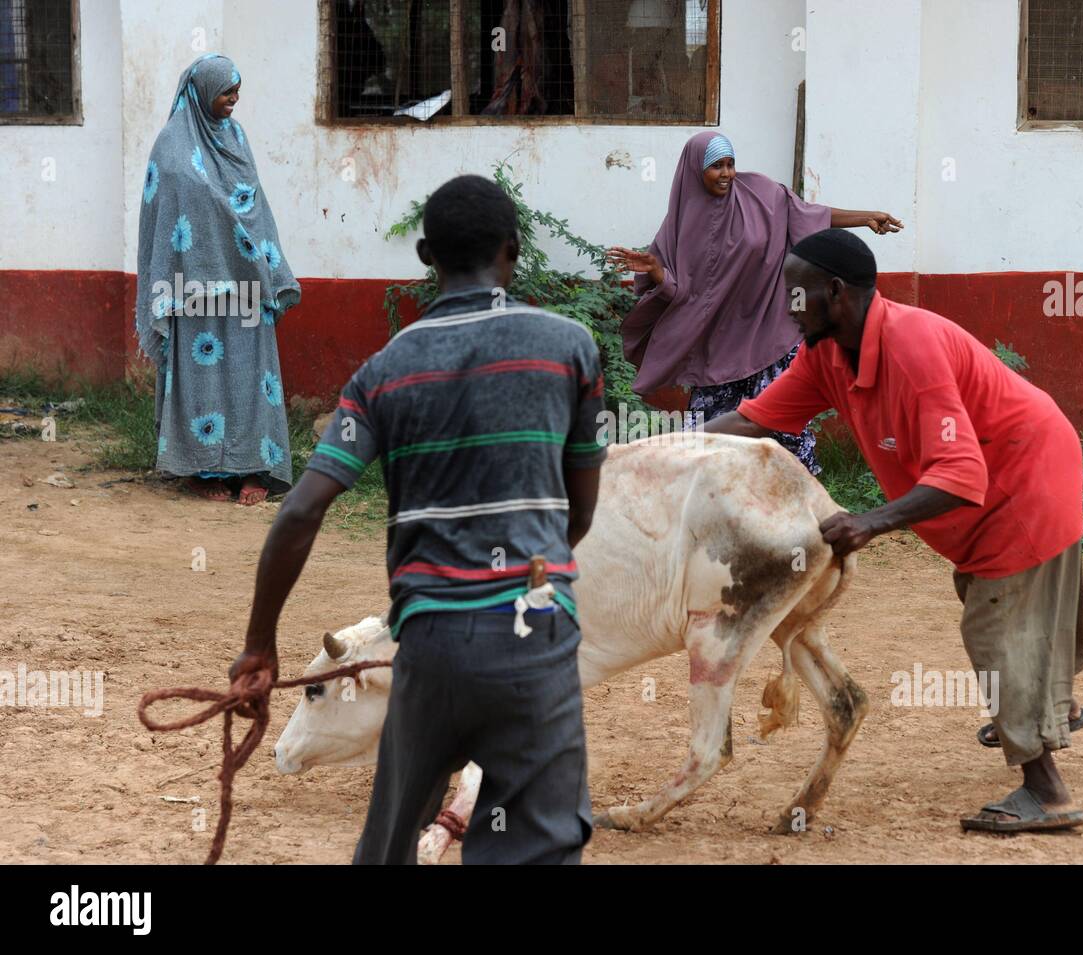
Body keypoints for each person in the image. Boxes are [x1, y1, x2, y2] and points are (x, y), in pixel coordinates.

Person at [228, 175, 606, 864]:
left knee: (388, 846)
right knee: (535, 847)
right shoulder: (571, 348)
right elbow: (580, 509)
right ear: (513, 251)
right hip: (535, 637)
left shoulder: (383, 370)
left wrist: (259, 644)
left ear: (426, 253)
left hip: (429, 645)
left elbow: (302, 508)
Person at [704, 228, 1083, 833]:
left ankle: (1047, 792)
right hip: (1014, 466)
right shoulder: (828, 355)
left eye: (796, 294)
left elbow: (961, 474)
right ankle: (1051, 706)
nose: (788, 307)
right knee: (1008, 603)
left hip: (1023, 474)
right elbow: (752, 420)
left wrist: (869, 523)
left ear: (835, 292)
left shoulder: (910, 345)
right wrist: (659, 454)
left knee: (996, 620)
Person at [607, 131, 901, 474]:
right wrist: (658, 272)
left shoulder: (762, 194)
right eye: (716, 166)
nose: (727, 174)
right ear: (694, 170)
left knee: (783, 430)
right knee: (709, 445)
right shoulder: (676, 230)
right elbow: (680, 296)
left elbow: (807, 214)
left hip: (769, 334)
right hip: (716, 350)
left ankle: (805, 511)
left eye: (731, 164)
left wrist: (865, 218)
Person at [135, 53, 300, 505]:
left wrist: (264, 262)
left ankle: (254, 468)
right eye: (227, 91)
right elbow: (166, 207)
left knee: (249, 372)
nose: (233, 100)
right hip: (192, 287)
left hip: (245, 279)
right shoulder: (171, 144)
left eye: (237, 92)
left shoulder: (236, 136)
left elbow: (253, 202)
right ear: (204, 90)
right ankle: (203, 470)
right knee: (200, 377)